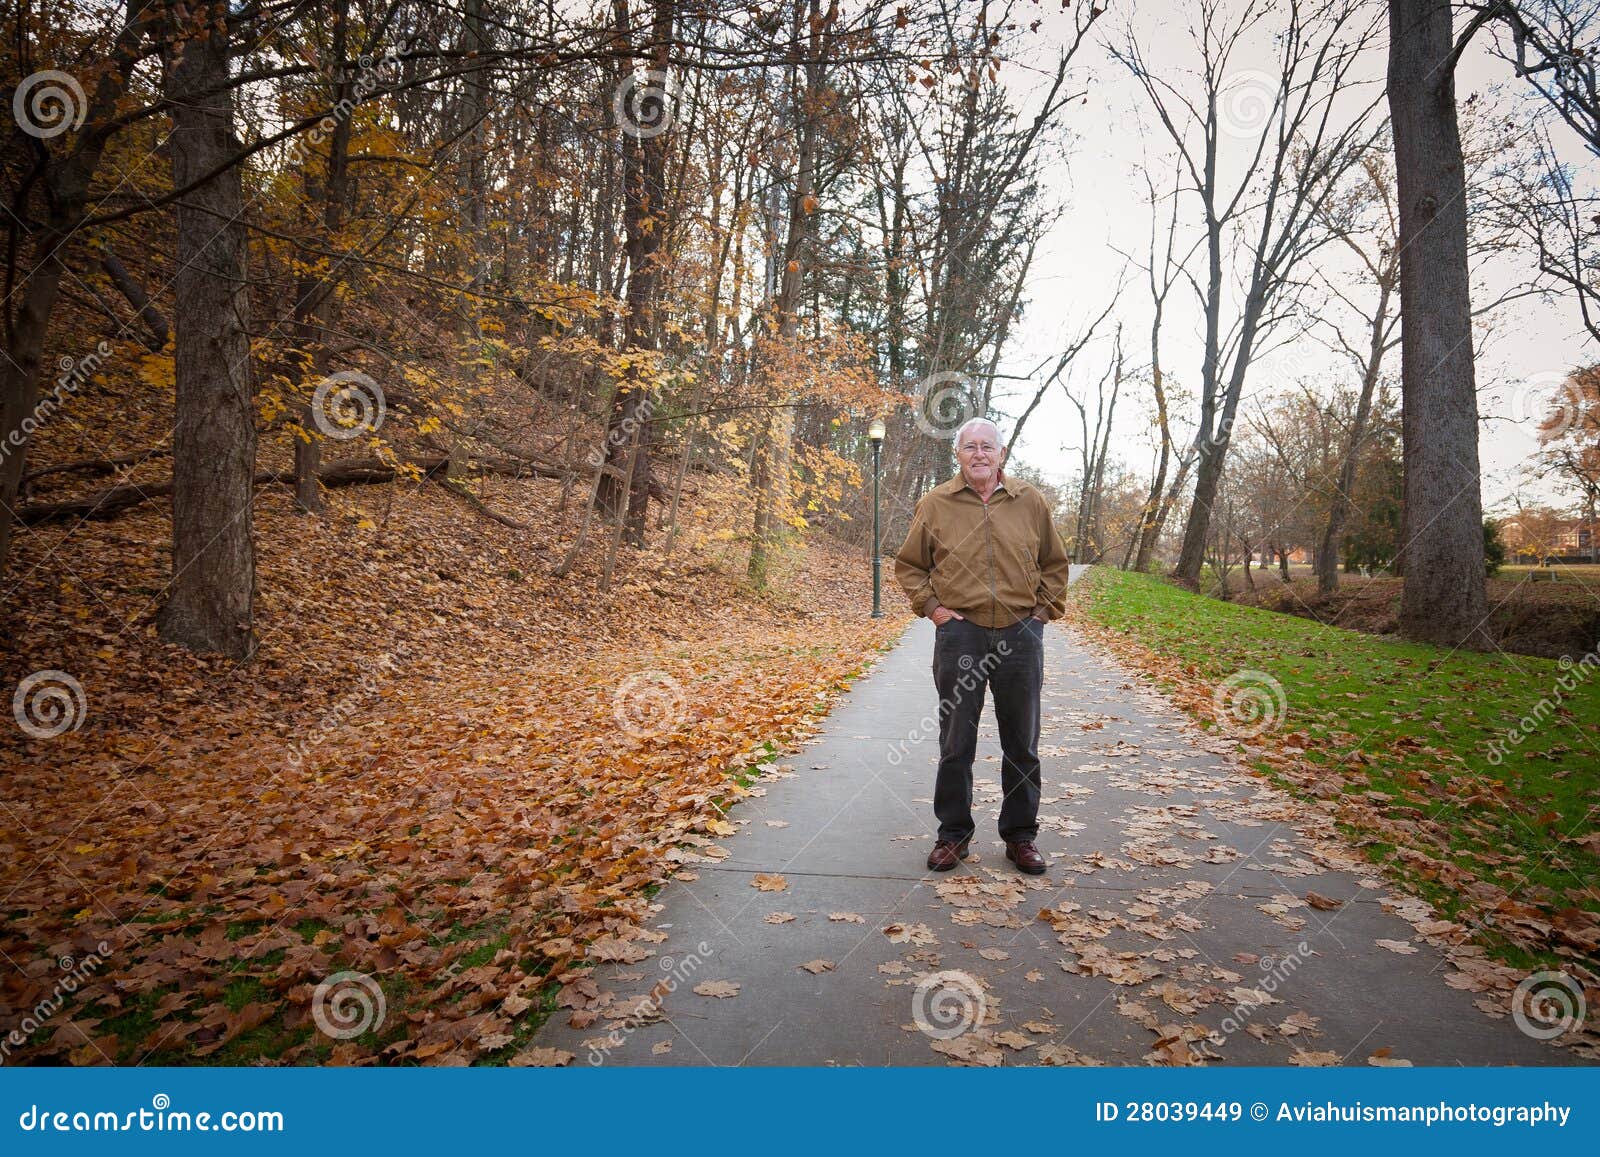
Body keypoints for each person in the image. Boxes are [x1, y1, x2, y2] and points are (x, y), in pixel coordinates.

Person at [893, 417, 1073, 874]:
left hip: (1020, 633)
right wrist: (932, 608)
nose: (979, 454)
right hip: (963, 634)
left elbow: (1055, 562)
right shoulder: (935, 504)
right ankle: (953, 836)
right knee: (956, 742)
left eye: (986, 446)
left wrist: (1042, 613)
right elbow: (910, 566)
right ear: (958, 454)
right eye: (969, 446)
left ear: (1001, 454)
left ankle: (1020, 838)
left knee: (1022, 743)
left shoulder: (1029, 501)